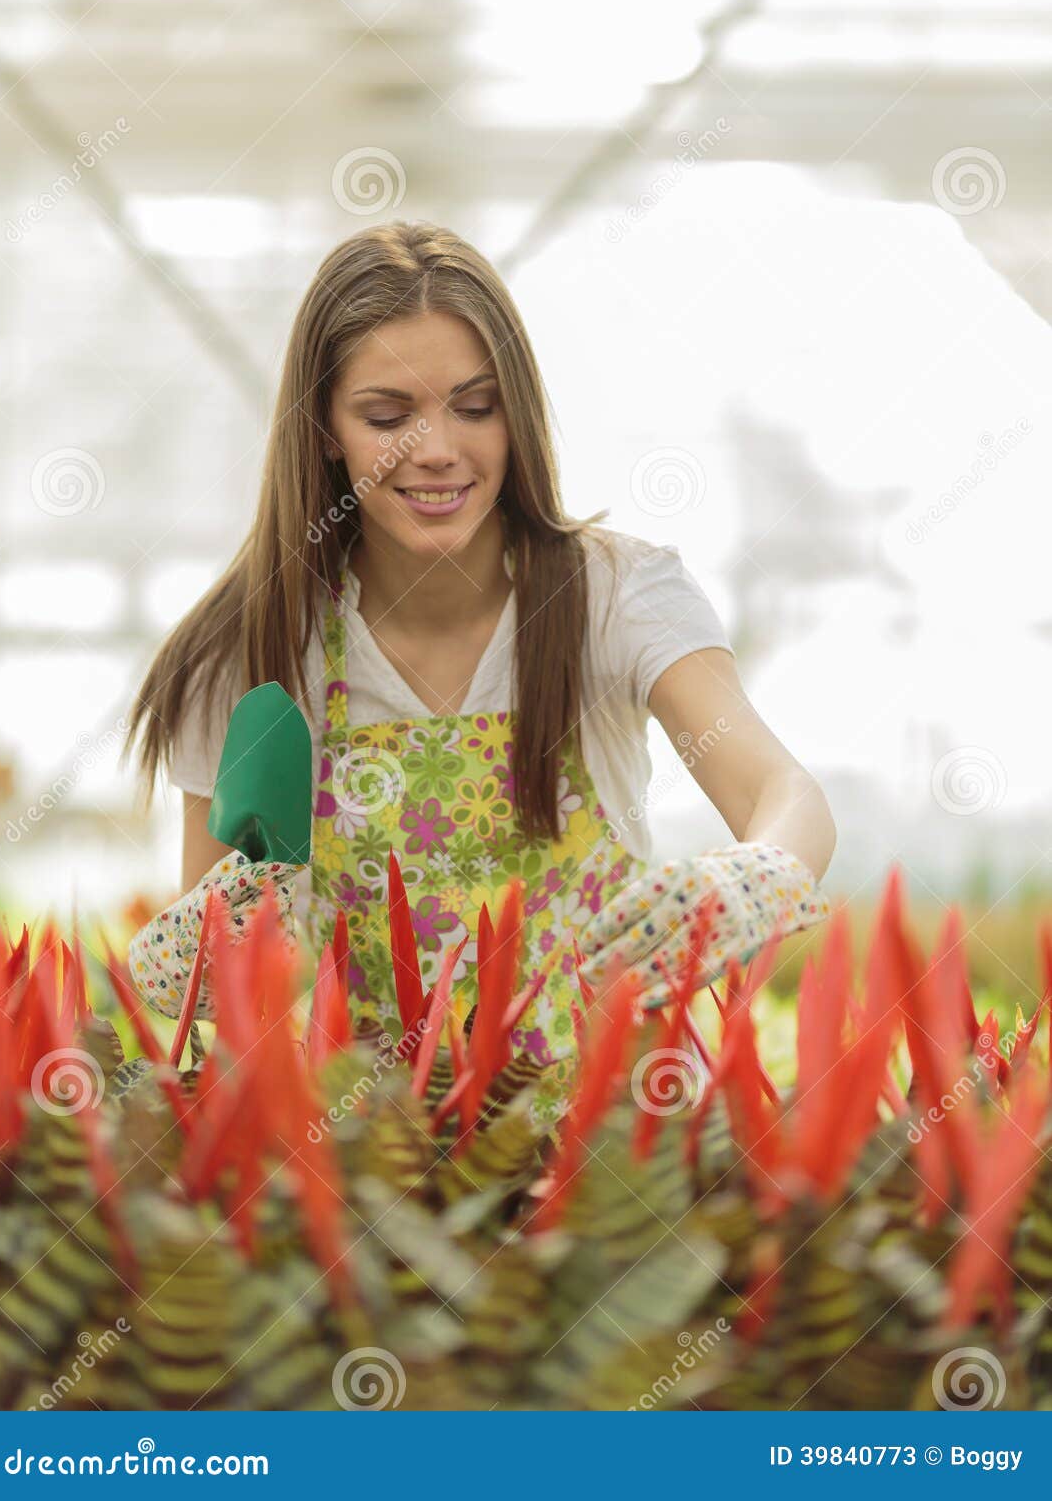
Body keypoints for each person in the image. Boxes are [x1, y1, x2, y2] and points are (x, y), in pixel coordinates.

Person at [121, 220, 835, 1111]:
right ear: (326, 428)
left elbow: (782, 792)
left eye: (475, 405)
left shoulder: (615, 596)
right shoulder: (250, 649)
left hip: (609, 1159)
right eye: (386, 416)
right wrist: (213, 943)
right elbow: (234, 1004)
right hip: (375, 1160)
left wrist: (754, 874)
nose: (436, 449)